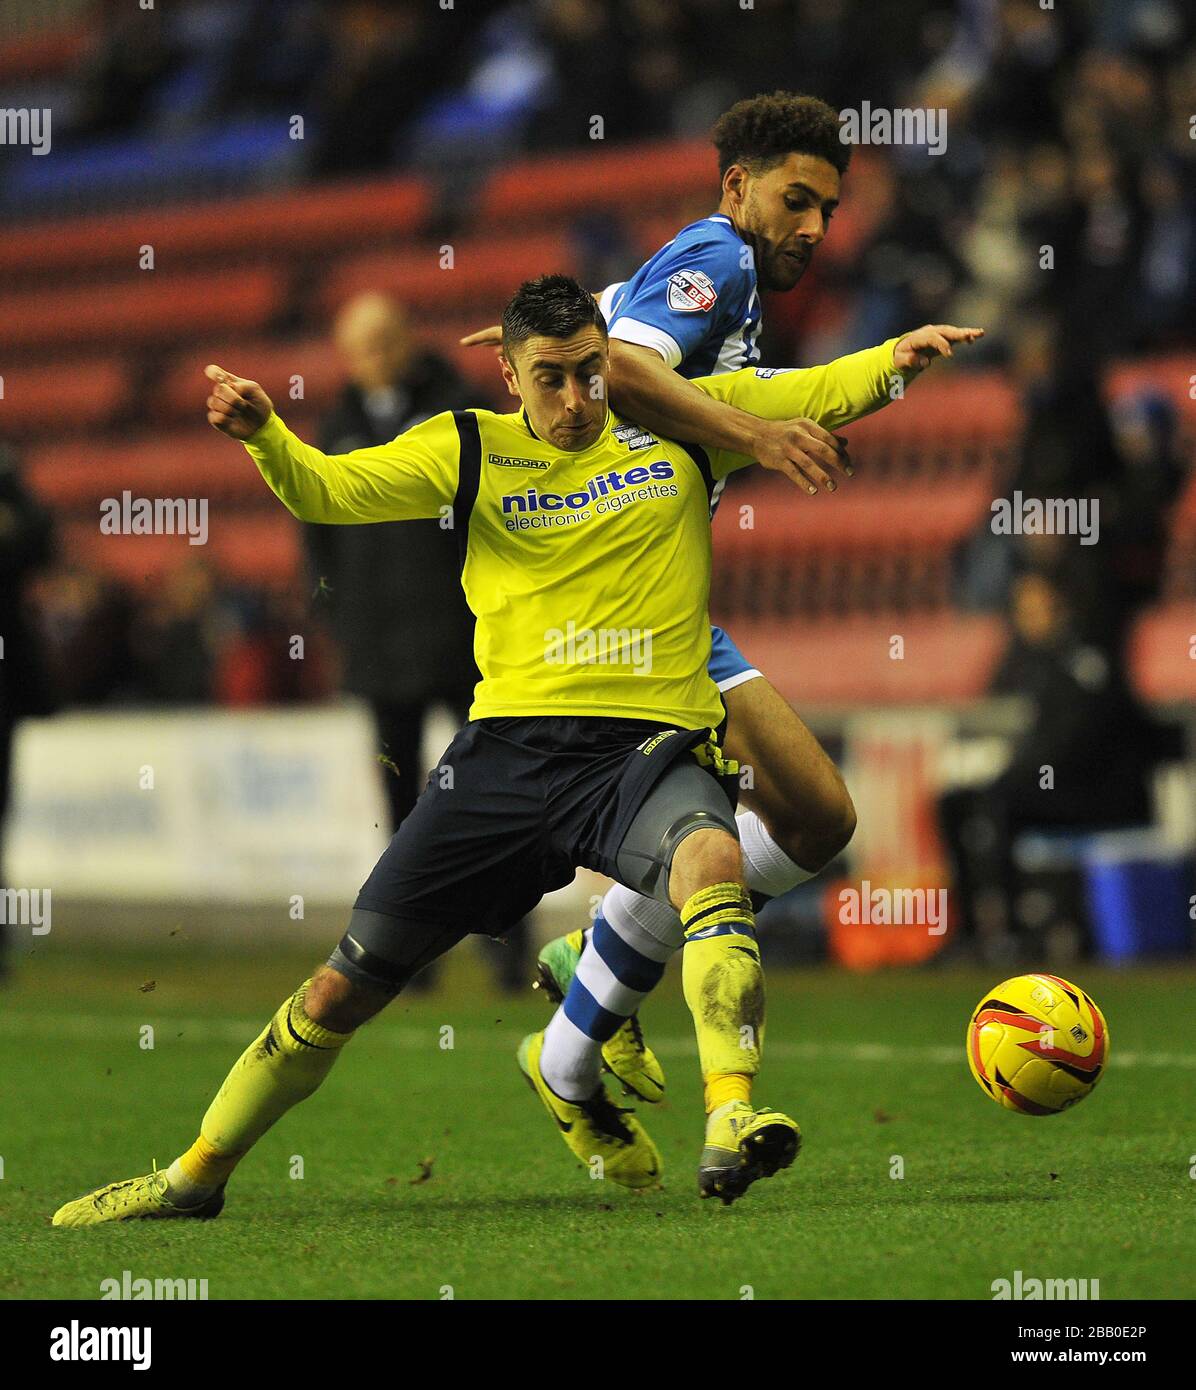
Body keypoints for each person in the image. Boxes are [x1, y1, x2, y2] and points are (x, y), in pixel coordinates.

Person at [52, 274, 971, 1226]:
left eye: (590, 374)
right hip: (502, 760)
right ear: (508, 374)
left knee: (712, 858)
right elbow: (330, 493)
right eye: (551, 380)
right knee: (341, 985)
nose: (575, 401)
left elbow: (810, 390)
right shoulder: (466, 447)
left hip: (643, 748)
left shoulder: (684, 432)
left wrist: (892, 364)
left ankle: (731, 1116)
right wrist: (265, 438)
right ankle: (193, 1177)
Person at [463, 91, 983, 1099]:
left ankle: (588, 984)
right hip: (611, 606)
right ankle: (634, 1059)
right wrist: (755, 440)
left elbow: (687, 367)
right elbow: (616, 366)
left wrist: (882, 368)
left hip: (633, 594)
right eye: (795, 200)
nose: (812, 228)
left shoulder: (710, 274)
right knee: (782, 824)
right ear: (736, 187)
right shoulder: (722, 259)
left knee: (816, 816)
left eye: (826, 210)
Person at [307, 293, 528, 990]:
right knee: (400, 812)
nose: (373, 359)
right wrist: (340, 623)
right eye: (360, 347)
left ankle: (506, 946)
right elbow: (318, 539)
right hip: (379, 649)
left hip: (470, 641)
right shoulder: (337, 425)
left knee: (494, 798)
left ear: (407, 339)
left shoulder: (459, 408)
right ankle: (404, 953)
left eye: (383, 342)